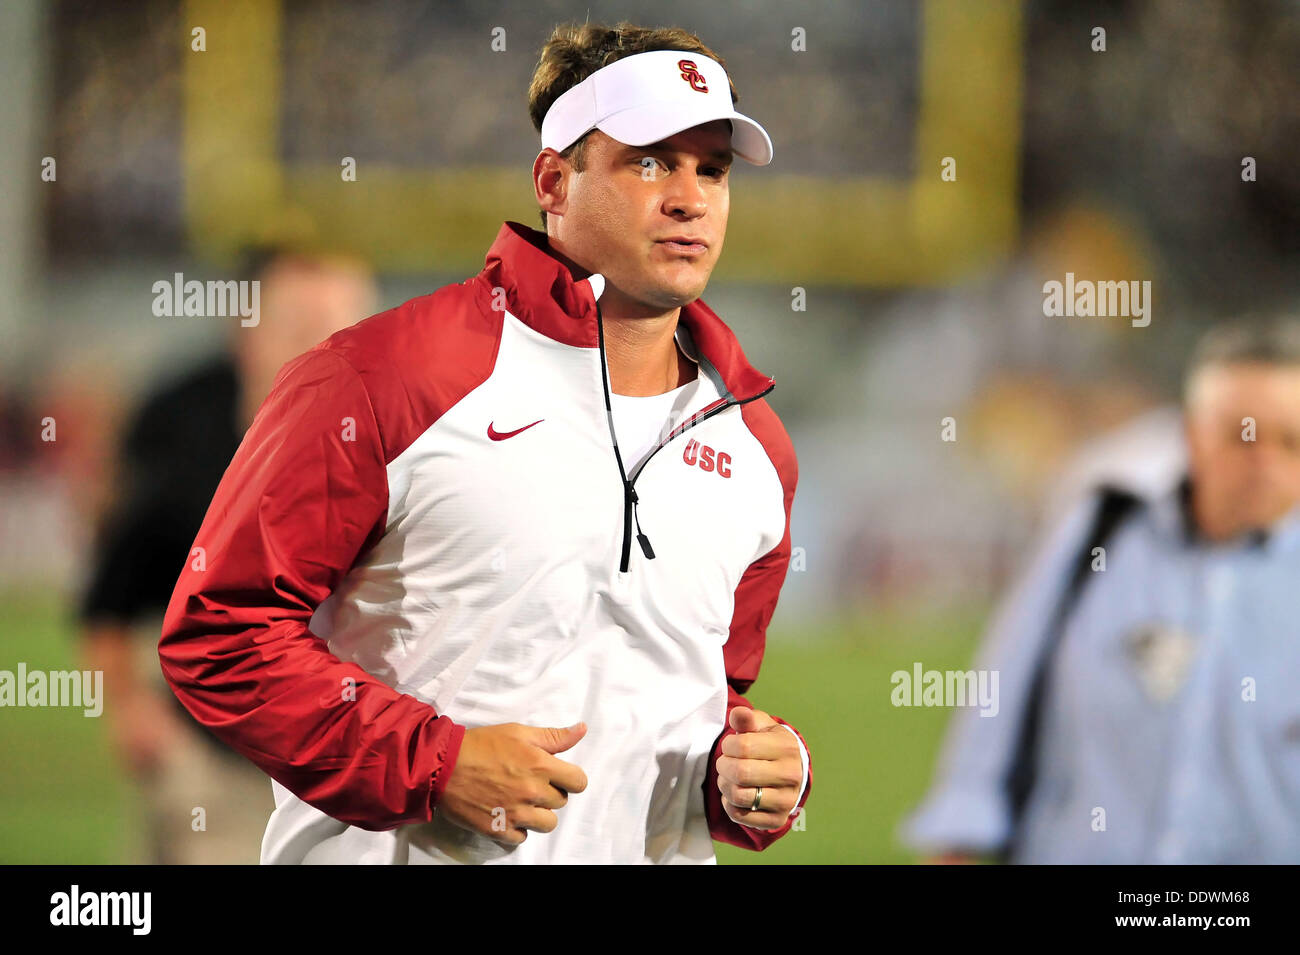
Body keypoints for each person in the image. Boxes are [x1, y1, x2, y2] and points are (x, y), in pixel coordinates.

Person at [158, 22, 812, 865]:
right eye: (648, 162)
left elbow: (698, 696)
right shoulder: (378, 375)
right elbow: (221, 632)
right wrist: (436, 762)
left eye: (712, 169)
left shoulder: (756, 442)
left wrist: (757, 773)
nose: (688, 197)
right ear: (553, 180)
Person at [901, 317, 1300, 864]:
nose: (1265, 463)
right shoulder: (1100, 535)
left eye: (1290, 441)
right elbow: (998, 702)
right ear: (1190, 434)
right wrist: (958, 840)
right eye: (1242, 434)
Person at [78, 244, 377, 863]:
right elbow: (110, 592)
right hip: (217, 770)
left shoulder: (416, 441)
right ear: (247, 336)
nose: (331, 345)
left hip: (356, 775)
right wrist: (131, 712)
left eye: (351, 325)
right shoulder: (185, 447)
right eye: (301, 326)